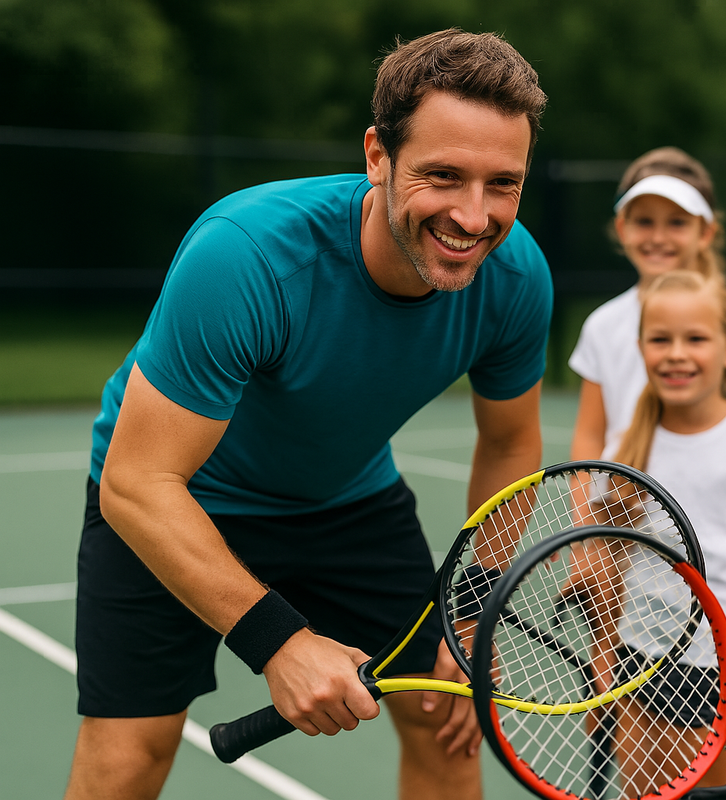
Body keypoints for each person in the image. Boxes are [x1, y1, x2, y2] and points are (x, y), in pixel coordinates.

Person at [64, 30, 550, 800]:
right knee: (131, 757)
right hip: (181, 498)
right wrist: (278, 640)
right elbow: (137, 481)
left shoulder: (518, 278)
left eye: (504, 183)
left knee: (444, 721)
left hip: (348, 501)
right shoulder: (247, 256)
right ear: (378, 157)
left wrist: (471, 609)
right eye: (444, 175)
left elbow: (510, 442)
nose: (474, 214)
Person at [607, 270, 726, 790]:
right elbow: (614, 561)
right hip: (637, 659)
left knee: (712, 792)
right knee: (642, 790)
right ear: (641, 346)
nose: (676, 354)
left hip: (719, 665)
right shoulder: (628, 447)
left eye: (695, 339)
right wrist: (606, 663)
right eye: (660, 339)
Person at [568, 147, 726, 463]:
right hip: (620, 506)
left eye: (677, 223)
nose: (658, 237)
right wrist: (586, 512)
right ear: (622, 228)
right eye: (644, 221)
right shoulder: (601, 325)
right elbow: (589, 435)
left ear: (706, 232)